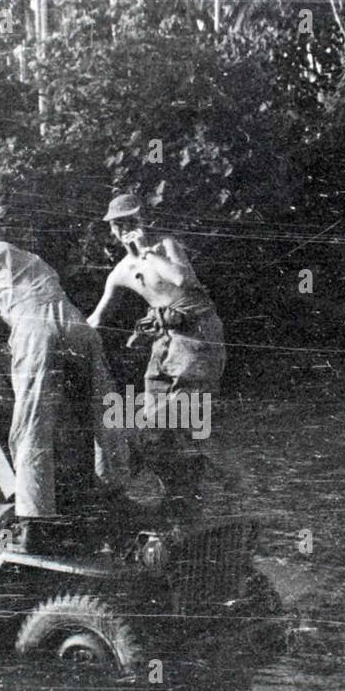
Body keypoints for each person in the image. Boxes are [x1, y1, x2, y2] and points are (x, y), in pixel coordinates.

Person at [0, 224, 128, 518]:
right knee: (104, 412)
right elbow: (17, 302)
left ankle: (34, 515)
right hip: (77, 326)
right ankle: (115, 490)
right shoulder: (29, 258)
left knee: (32, 424)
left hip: (37, 330)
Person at [87, 193, 226, 496]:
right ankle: (179, 489)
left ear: (143, 220)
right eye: (117, 225)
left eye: (130, 221)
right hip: (165, 344)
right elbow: (96, 319)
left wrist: (147, 251)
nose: (124, 229)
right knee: (154, 423)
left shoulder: (166, 246)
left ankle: (206, 479)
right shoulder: (121, 272)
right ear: (111, 231)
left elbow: (181, 279)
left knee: (178, 416)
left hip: (196, 336)